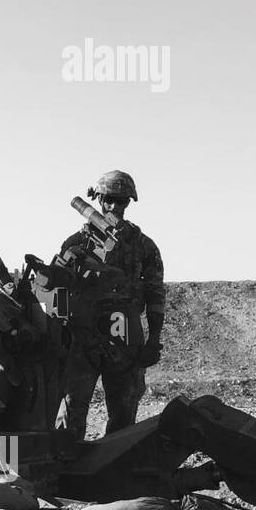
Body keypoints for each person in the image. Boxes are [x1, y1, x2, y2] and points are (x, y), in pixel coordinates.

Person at [56, 170, 165, 440]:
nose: (115, 207)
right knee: (71, 411)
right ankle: (67, 474)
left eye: (122, 201)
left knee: (123, 419)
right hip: (83, 340)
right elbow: (57, 293)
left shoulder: (143, 246)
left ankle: (114, 475)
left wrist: (154, 340)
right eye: (110, 200)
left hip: (125, 342)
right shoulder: (76, 244)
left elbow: (155, 295)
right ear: (100, 200)